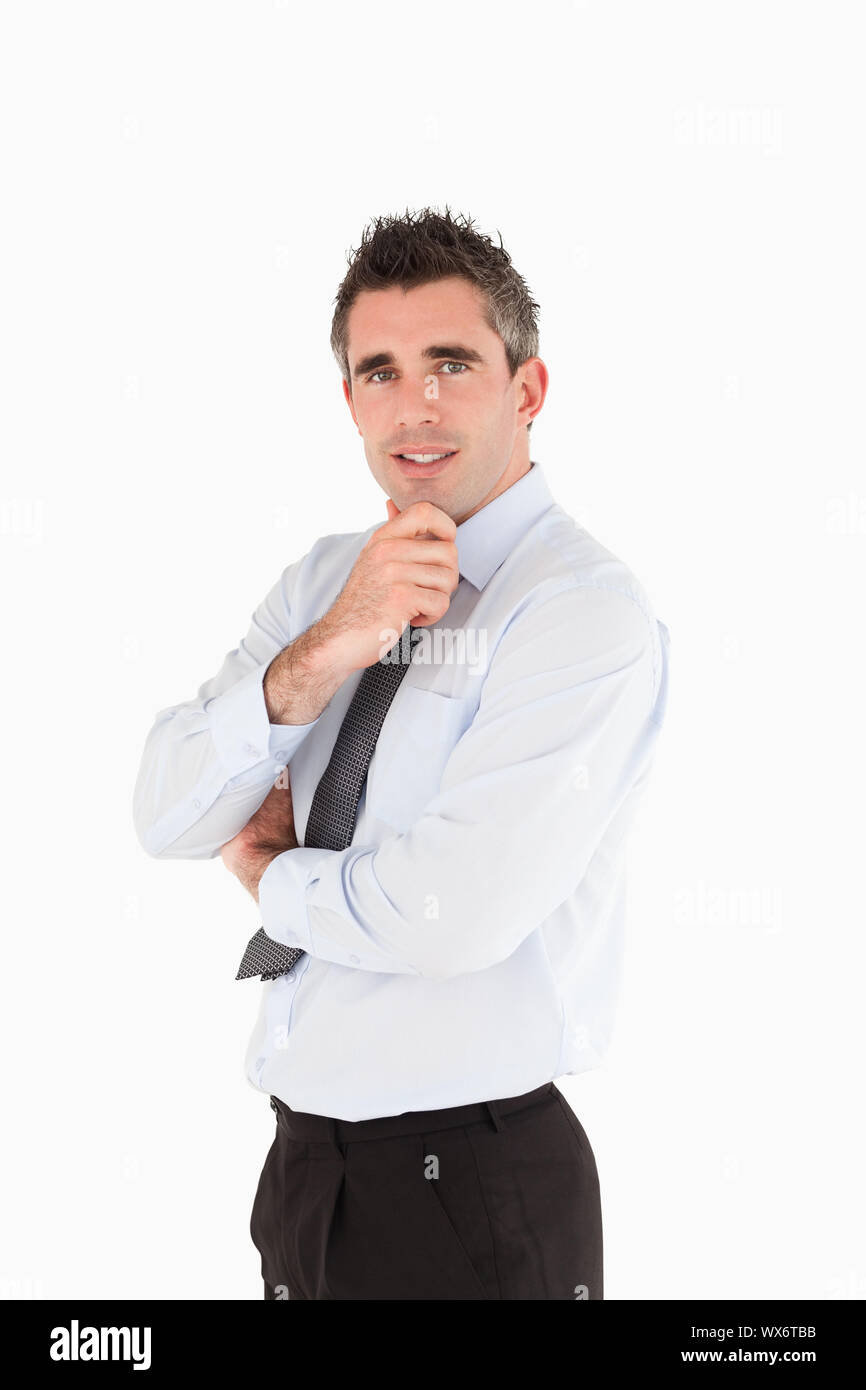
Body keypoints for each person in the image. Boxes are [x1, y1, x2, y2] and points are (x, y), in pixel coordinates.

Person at [133, 207, 670, 1300]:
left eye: (449, 363)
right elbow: (163, 809)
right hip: (301, 1172)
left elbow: (451, 917)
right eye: (378, 370)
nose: (412, 404)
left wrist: (269, 876)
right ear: (347, 402)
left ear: (526, 389)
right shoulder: (323, 580)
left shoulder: (580, 614)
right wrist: (330, 644)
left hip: (472, 1191)